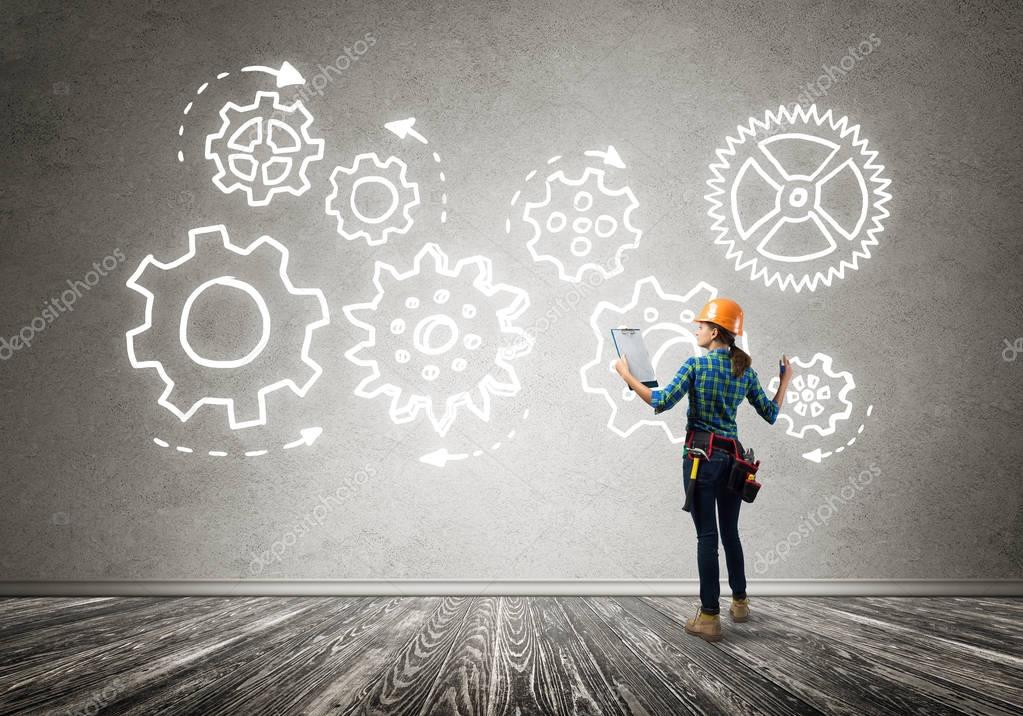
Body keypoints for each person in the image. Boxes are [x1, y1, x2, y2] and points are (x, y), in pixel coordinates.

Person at [614, 297, 792, 642]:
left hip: (701, 459)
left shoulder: (696, 366)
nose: (697, 330)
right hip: (735, 462)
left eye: (701, 326)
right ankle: (740, 603)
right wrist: (786, 380)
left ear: (714, 331)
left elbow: (660, 402)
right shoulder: (745, 371)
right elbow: (770, 413)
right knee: (731, 534)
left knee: (707, 537)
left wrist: (626, 375)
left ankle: (709, 617)